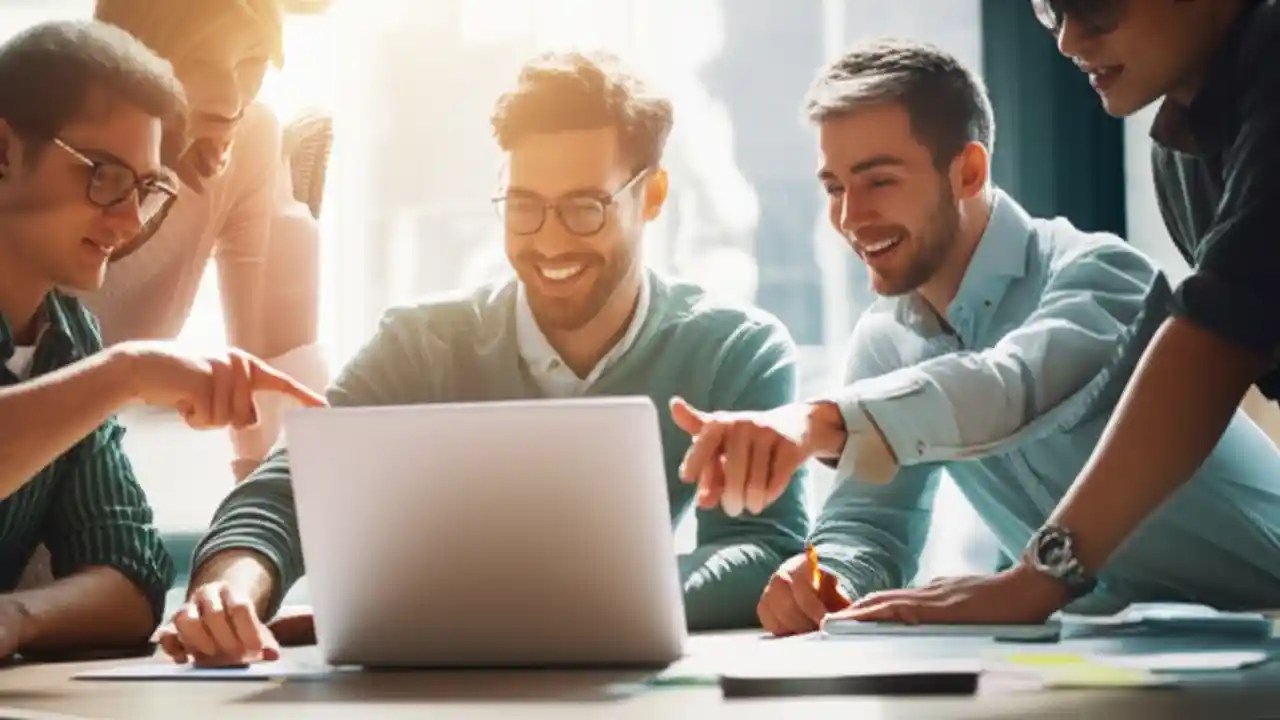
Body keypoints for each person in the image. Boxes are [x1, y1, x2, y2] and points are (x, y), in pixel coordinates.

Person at [156, 51, 809, 666]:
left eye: (585, 208)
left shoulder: (735, 350)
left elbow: (763, 549)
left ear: (654, 195)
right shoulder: (422, 345)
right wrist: (231, 589)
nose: (550, 242)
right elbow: (285, 490)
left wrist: (533, 606)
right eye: (524, 208)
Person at [672, 40, 1280, 636]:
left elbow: (1010, 388)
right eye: (834, 188)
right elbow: (867, 527)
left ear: (968, 171)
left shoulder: (1103, 275)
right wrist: (826, 578)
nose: (850, 218)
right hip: (1109, 653)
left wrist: (815, 421)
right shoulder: (884, 344)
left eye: (878, 181)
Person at [0, 20, 325, 659]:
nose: (127, 221)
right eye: (104, 175)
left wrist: (16, 617)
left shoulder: (70, 338)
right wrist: (129, 372)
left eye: (145, 188)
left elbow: (131, 575)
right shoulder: (104, 367)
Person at [86, 0, 327, 482]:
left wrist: (258, 511)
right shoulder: (52, 154)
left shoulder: (253, 138)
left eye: (253, 63)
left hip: (89, 476)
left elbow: (252, 373)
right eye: (201, 64)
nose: (232, 99)